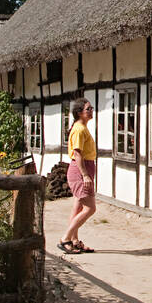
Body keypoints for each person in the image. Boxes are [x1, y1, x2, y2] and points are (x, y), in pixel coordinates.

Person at [58, 98, 97, 254]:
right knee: (90, 208)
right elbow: (77, 154)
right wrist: (85, 175)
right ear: (80, 112)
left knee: (77, 208)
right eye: (88, 109)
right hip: (81, 169)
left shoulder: (80, 127)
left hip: (83, 168)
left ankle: (74, 241)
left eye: (91, 108)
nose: (91, 111)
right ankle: (65, 238)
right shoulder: (79, 129)